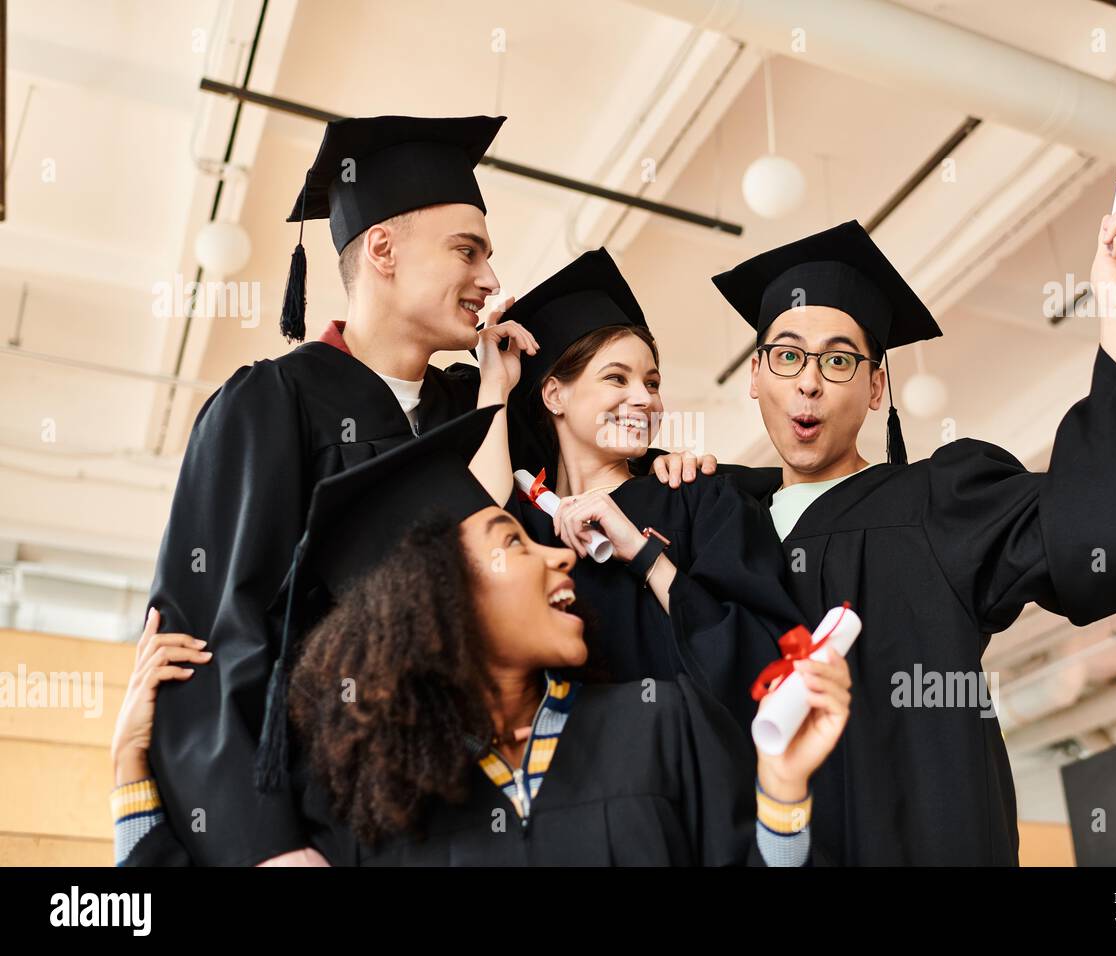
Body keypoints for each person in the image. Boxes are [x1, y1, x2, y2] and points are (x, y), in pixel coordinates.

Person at [691, 208, 1116, 865]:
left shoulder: (938, 505)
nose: (809, 379)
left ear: (874, 387)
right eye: (787, 355)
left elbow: (1099, 523)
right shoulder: (716, 530)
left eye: (839, 359)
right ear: (755, 375)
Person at [112, 408, 851, 866]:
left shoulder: (666, 723)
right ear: (435, 600)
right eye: (513, 543)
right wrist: (130, 776)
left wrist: (783, 792)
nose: (559, 554)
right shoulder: (365, 806)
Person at [143, 114, 542, 866]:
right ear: (383, 249)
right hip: (320, 822)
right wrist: (265, 844)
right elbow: (210, 636)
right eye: (468, 250)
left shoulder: (479, 407)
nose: (492, 280)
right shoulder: (272, 404)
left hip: (477, 816)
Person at [480, 248, 805, 725]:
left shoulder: (700, 498)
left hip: (691, 777)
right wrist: (495, 383)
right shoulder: (526, 527)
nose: (644, 399)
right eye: (617, 378)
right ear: (555, 394)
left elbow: (765, 662)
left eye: (652, 383)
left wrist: (645, 555)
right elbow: (473, 534)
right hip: (568, 784)